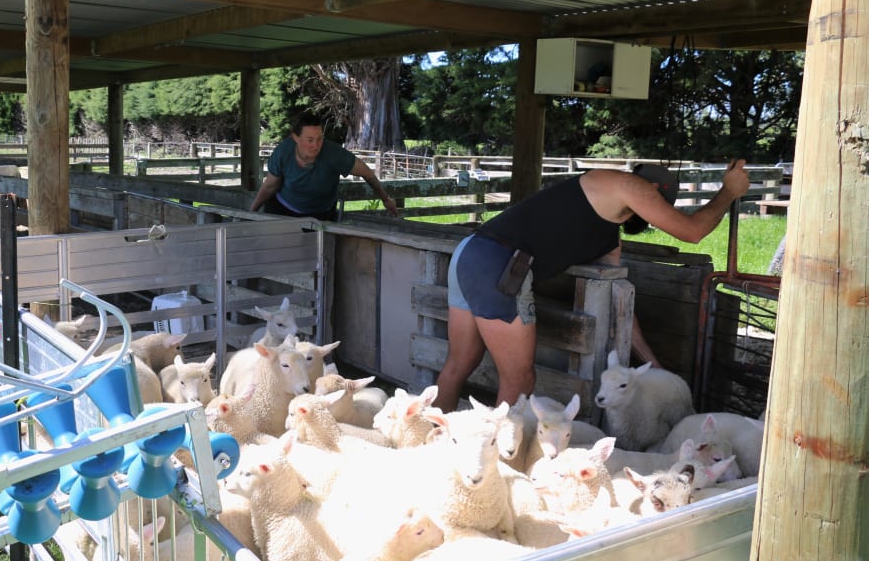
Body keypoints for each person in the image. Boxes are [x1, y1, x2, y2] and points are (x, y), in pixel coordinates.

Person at [434, 160, 750, 412]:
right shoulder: (625, 183)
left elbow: (618, 298)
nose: (653, 216)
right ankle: (499, 461)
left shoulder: (609, 238)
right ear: (651, 190)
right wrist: (729, 192)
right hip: (501, 264)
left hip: (473, 252)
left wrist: (653, 365)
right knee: (519, 378)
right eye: (658, 204)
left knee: (459, 364)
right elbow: (692, 231)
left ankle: (434, 439)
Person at [250, 113, 399, 220]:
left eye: (319, 138)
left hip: (321, 215)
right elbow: (270, 186)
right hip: (283, 211)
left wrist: (385, 199)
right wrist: (253, 212)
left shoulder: (334, 154)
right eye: (309, 140)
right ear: (295, 138)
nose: (315, 145)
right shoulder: (283, 153)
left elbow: (367, 173)